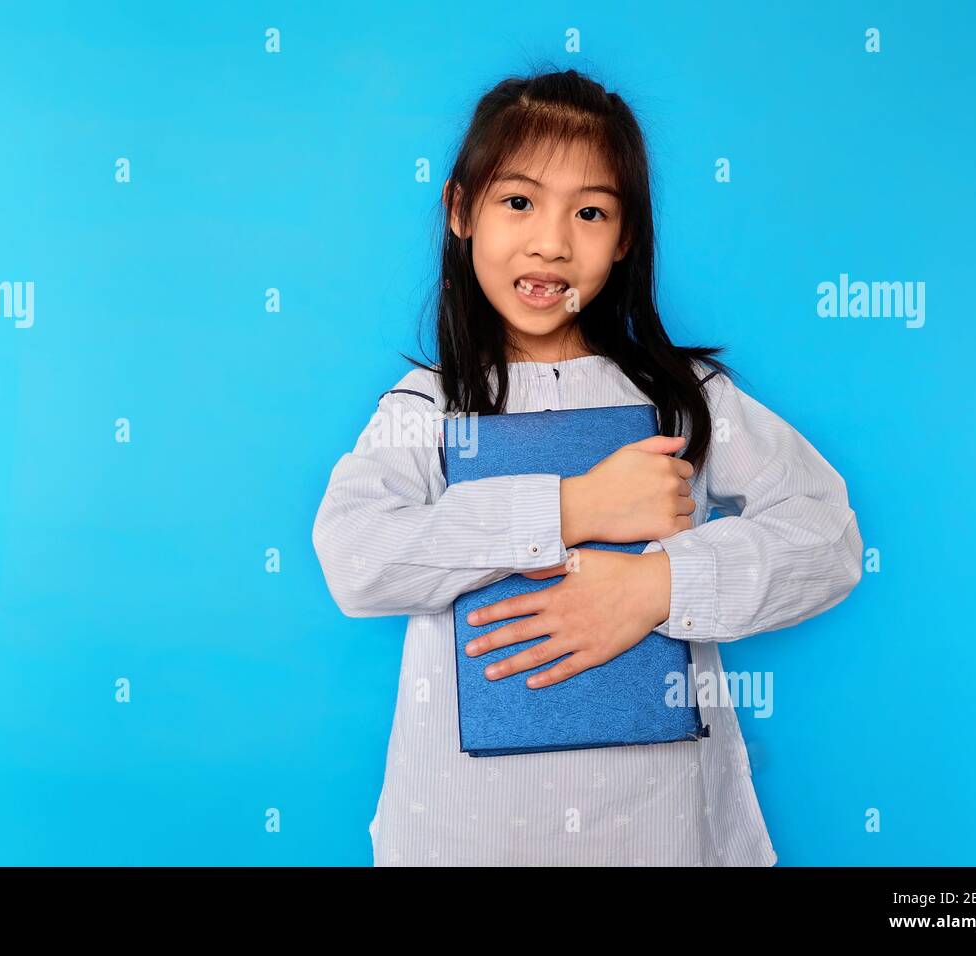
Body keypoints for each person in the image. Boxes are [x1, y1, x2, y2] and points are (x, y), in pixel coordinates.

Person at [312, 68, 863, 866]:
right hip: (466, 828)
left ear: (627, 234)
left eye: (591, 211)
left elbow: (828, 537)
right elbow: (355, 560)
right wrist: (570, 508)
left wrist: (656, 586)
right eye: (519, 201)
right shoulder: (425, 408)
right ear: (460, 209)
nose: (552, 242)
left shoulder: (685, 398)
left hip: (660, 822)